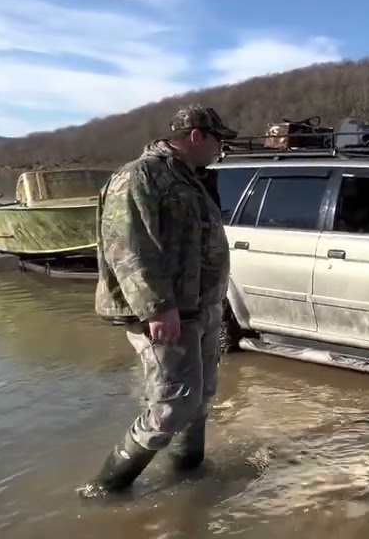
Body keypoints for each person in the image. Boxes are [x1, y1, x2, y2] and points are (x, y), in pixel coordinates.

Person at [77, 104, 238, 498]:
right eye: (218, 140)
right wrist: (157, 307)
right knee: (171, 407)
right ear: (197, 136)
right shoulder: (140, 176)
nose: (221, 148)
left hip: (201, 308)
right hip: (168, 312)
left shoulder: (191, 179)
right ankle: (106, 487)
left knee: (200, 399)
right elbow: (128, 246)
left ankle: (189, 473)